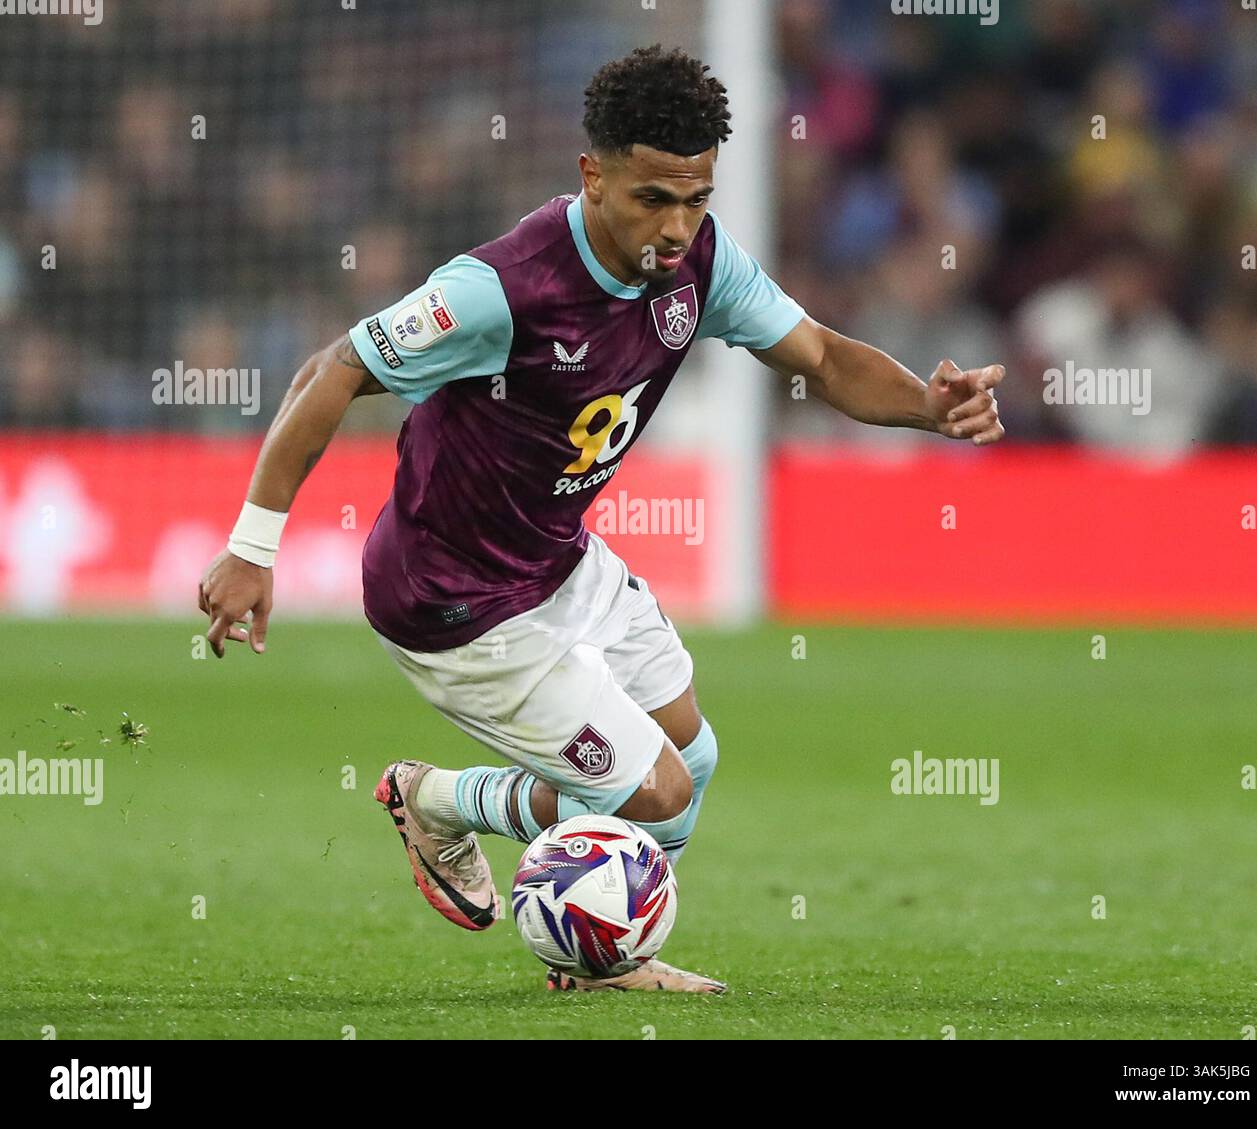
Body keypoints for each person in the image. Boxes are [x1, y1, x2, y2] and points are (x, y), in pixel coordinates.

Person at [198, 45, 1005, 994]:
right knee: (651, 791)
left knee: (687, 770)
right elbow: (333, 369)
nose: (676, 227)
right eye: (652, 199)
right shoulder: (502, 288)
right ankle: (571, 932)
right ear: (593, 174)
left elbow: (821, 357)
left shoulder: (700, 262)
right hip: (452, 600)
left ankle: (458, 817)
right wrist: (252, 546)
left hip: (557, 561)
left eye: (695, 198)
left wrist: (928, 406)